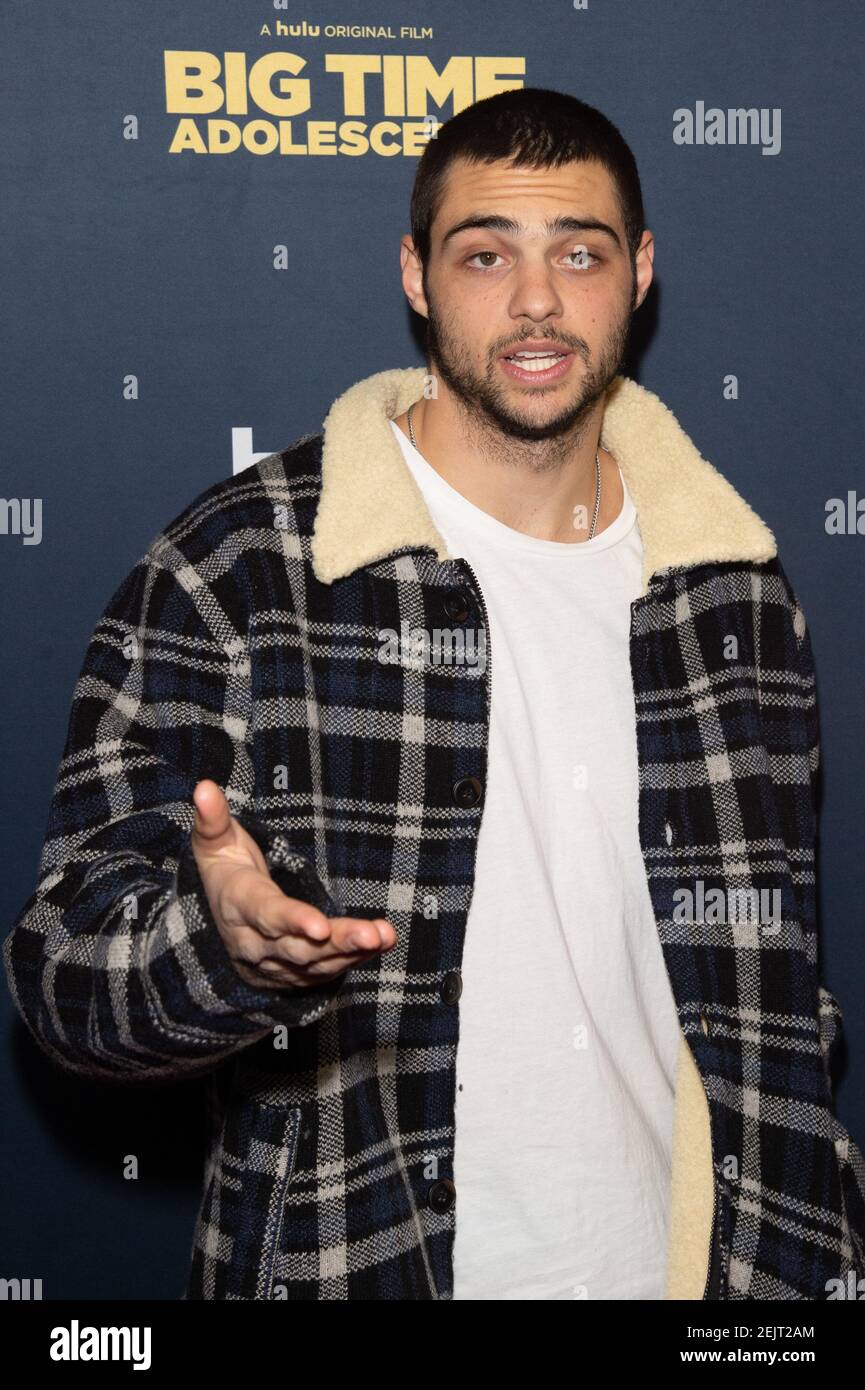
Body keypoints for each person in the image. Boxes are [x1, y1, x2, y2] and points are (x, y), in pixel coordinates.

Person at [5, 86, 864, 1301]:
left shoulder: (733, 589)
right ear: (415, 274)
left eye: (579, 251)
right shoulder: (242, 569)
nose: (535, 300)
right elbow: (63, 973)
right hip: (361, 1261)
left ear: (641, 271)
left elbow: (778, 993)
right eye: (484, 253)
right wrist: (223, 950)